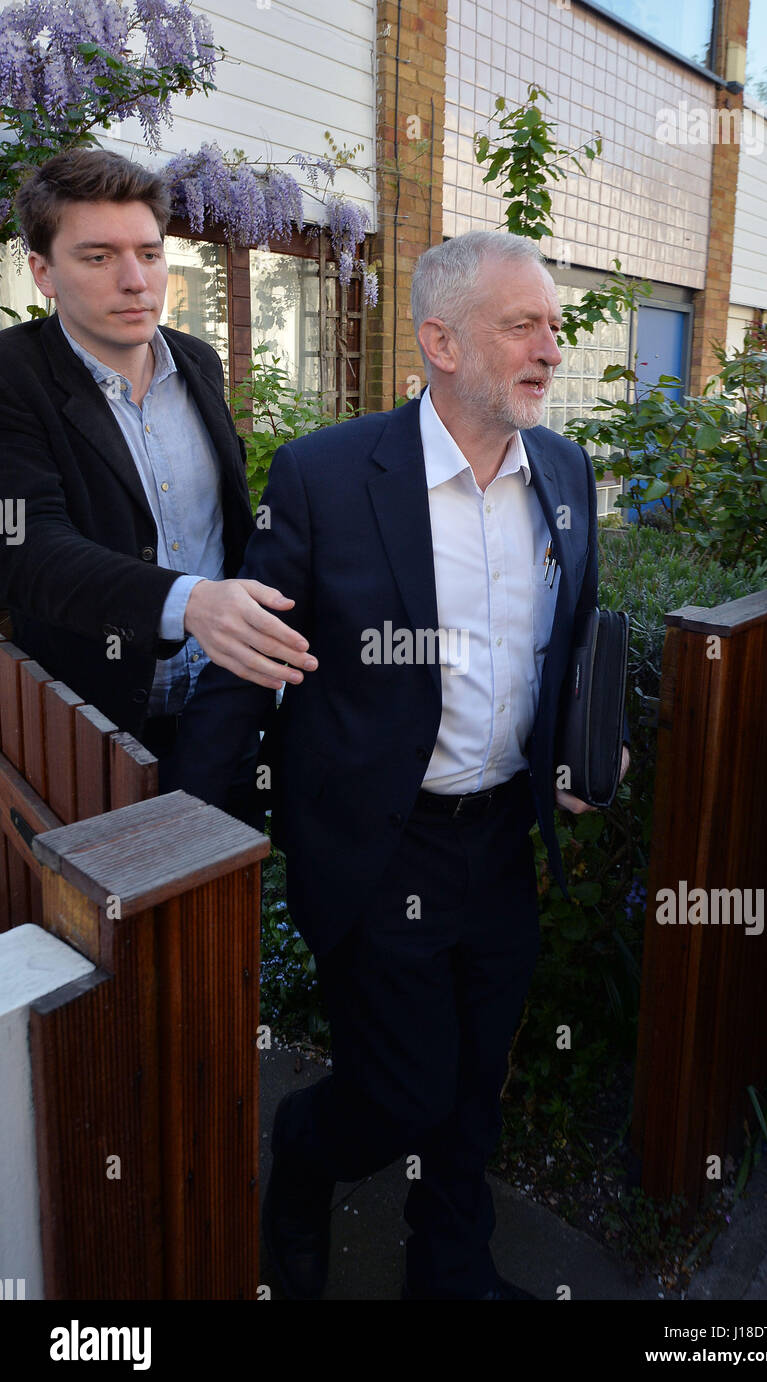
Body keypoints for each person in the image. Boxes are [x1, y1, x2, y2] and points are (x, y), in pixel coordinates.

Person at [164, 229, 630, 1300]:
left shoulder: (560, 470)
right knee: (402, 1089)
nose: (549, 349)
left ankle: (450, 1272)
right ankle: (302, 1152)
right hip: (379, 847)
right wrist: (187, 831)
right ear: (441, 341)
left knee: (474, 1084)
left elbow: (571, 635)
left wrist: (585, 739)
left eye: (552, 327)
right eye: (523, 325)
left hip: (502, 837)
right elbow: (246, 665)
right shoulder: (327, 475)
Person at [0, 148, 316, 794]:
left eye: (148, 253)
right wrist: (188, 604)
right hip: (91, 735)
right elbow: (28, 550)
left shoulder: (198, 363)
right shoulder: (15, 376)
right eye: (98, 257)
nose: (135, 281)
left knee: (223, 892)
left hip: (221, 721)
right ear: (43, 272)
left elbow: (229, 528)